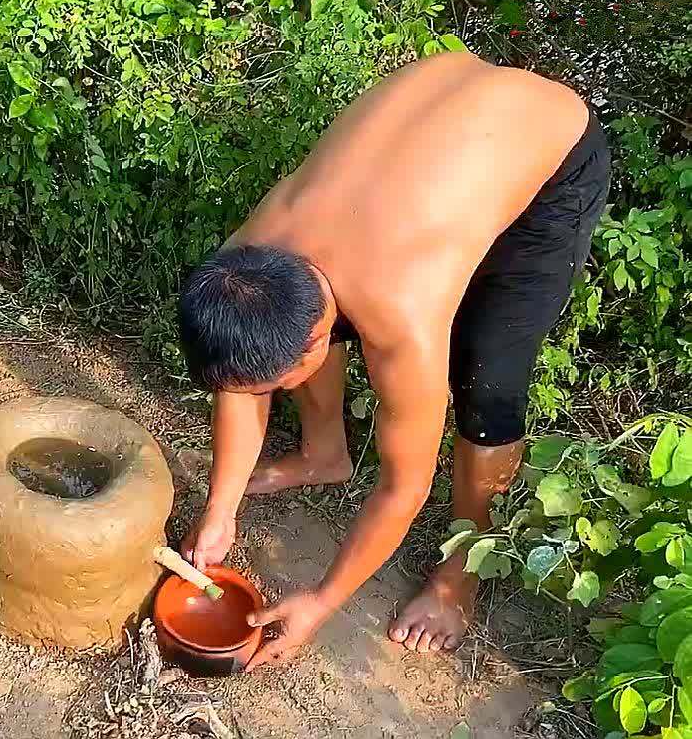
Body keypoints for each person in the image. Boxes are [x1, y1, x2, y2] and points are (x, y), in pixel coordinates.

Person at [176, 52, 610, 670]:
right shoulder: (244, 267)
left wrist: (323, 602)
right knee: (258, 348)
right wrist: (221, 511)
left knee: (488, 380)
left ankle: (460, 575)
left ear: (315, 344)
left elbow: (404, 487)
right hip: (446, 113)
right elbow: (242, 380)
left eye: (273, 387)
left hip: (555, 155)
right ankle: (322, 456)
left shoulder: (401, 319)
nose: (256, 396)